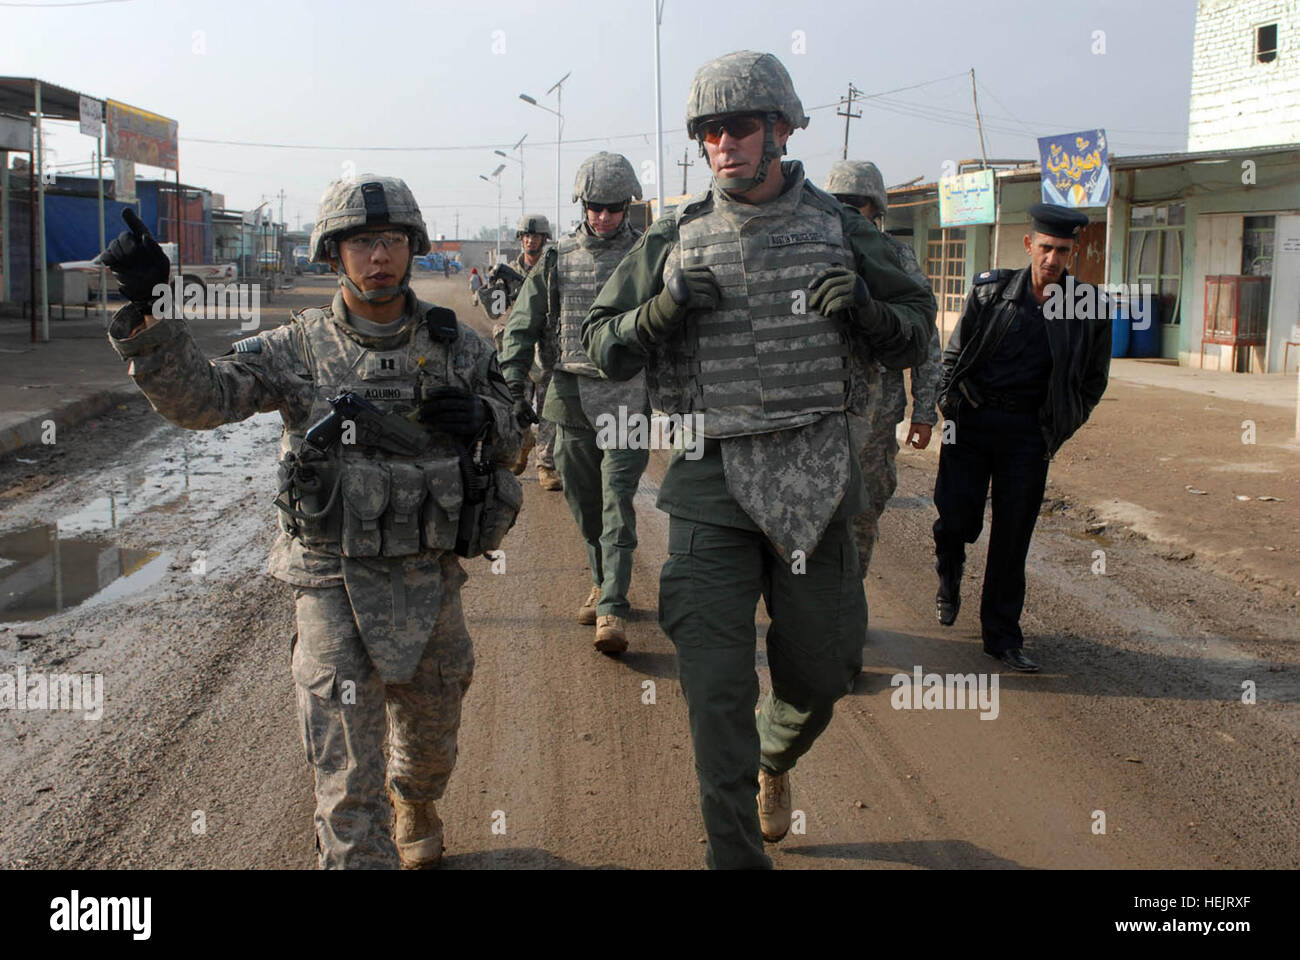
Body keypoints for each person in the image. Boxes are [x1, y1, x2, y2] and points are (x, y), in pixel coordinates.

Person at [101, 176, 523, 869]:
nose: (378, 256)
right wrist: (147, 313)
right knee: (346, 782)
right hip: (330, 574)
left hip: (427, 571)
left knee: (432, 730)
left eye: (391, 241)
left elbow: (517, 432)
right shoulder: (298, 347)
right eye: (361, 241)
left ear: (412, 248)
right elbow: (203, 399)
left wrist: (489, 419)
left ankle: (416, 798)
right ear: (335, 253)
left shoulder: (460, 348)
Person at [582, 51, 936, 868]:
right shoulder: (673, 237)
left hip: (818, 476)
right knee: (714, 692)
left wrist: (872, 313)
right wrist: (662, 309)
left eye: (739, 126)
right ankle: (734, 855)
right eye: (709, 130)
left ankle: (775, 758)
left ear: (780, 130)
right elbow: (602, 345)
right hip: (708, 481)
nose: (722, 143)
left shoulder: (843, 229)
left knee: (822, 674)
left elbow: (919, 325)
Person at [933, 202, 1111, 672]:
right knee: (956, 520)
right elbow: (952, 358)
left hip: (1029, 436)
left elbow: (1093, 381)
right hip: (970, 424)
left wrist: (1059, 426)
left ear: (1074, 252)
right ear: (1029, 244)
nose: (1053, 259)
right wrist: (949, 406)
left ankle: (1002, 637)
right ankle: (949, 569)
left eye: (1063, 251)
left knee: (1013, 538)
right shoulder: (991, 293)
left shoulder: (1088, 307)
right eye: (1046, 248)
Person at [501, 154, 648, 655]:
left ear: (627, 205)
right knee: (583, 499)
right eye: (594, 207)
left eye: (612, 208)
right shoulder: (558, 258)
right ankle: (599, 577)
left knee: (617, 500)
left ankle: (612, 605)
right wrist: (514, 379)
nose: (603, 217)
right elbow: (523, 321)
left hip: (628, 393)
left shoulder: (648, 255)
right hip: (570, 394)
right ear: (581, 205)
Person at [824, 160, 942, 576]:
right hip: (820, 410)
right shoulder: (813, 253)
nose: (848, 212)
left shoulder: (894, 258)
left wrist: (925, 413)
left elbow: (925, 338)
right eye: (839, 203)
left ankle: (848, 606)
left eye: (858, 204)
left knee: (865, 506)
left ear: (877, 209)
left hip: (876, 414)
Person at [481, 214, 558, 487]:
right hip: (517, 352)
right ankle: (523, 442)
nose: (529, 240)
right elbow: (495, 312)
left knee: (550, 408)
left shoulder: (554, 268)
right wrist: (494, 288)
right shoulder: (506, 270)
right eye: (525, 236)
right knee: (517, 405)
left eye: (535, 236)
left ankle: (546, 464)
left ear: (544, 239)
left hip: (549, 350)